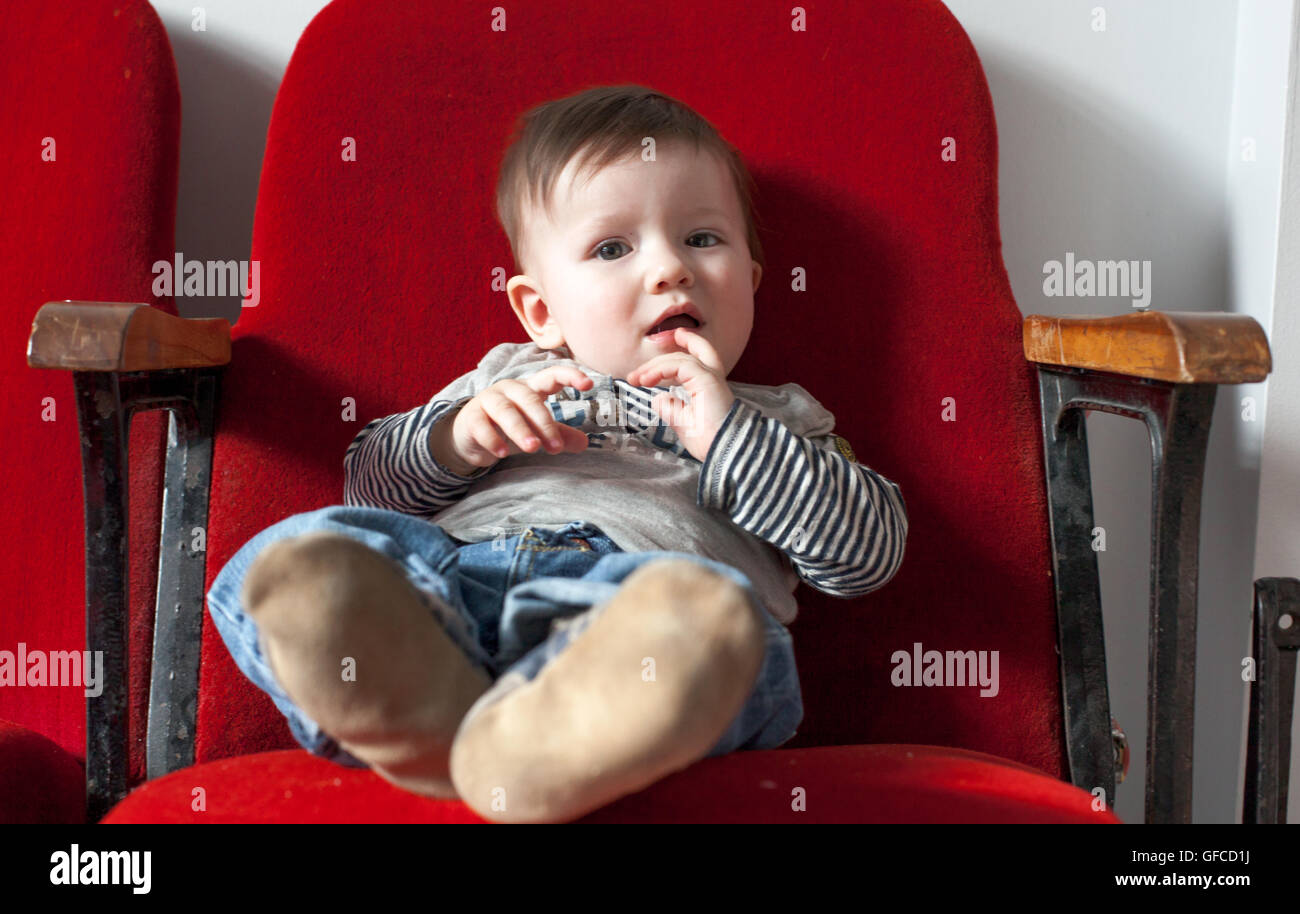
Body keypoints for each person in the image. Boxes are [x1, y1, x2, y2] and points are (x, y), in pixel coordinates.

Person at [206, 84, 908, 824]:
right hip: (457, 588)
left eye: (704, 238)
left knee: (721, 633)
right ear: (541, 312)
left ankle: (534, 739)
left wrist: (729, 434)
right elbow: (369, 482)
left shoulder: (778, 418)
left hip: (634, 621)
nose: (669, 267)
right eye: (613, 248)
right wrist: (460, 437)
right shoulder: (505, 378)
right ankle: (424, 709)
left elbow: (867, 554)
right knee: (298, 554)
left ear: (754, 286)